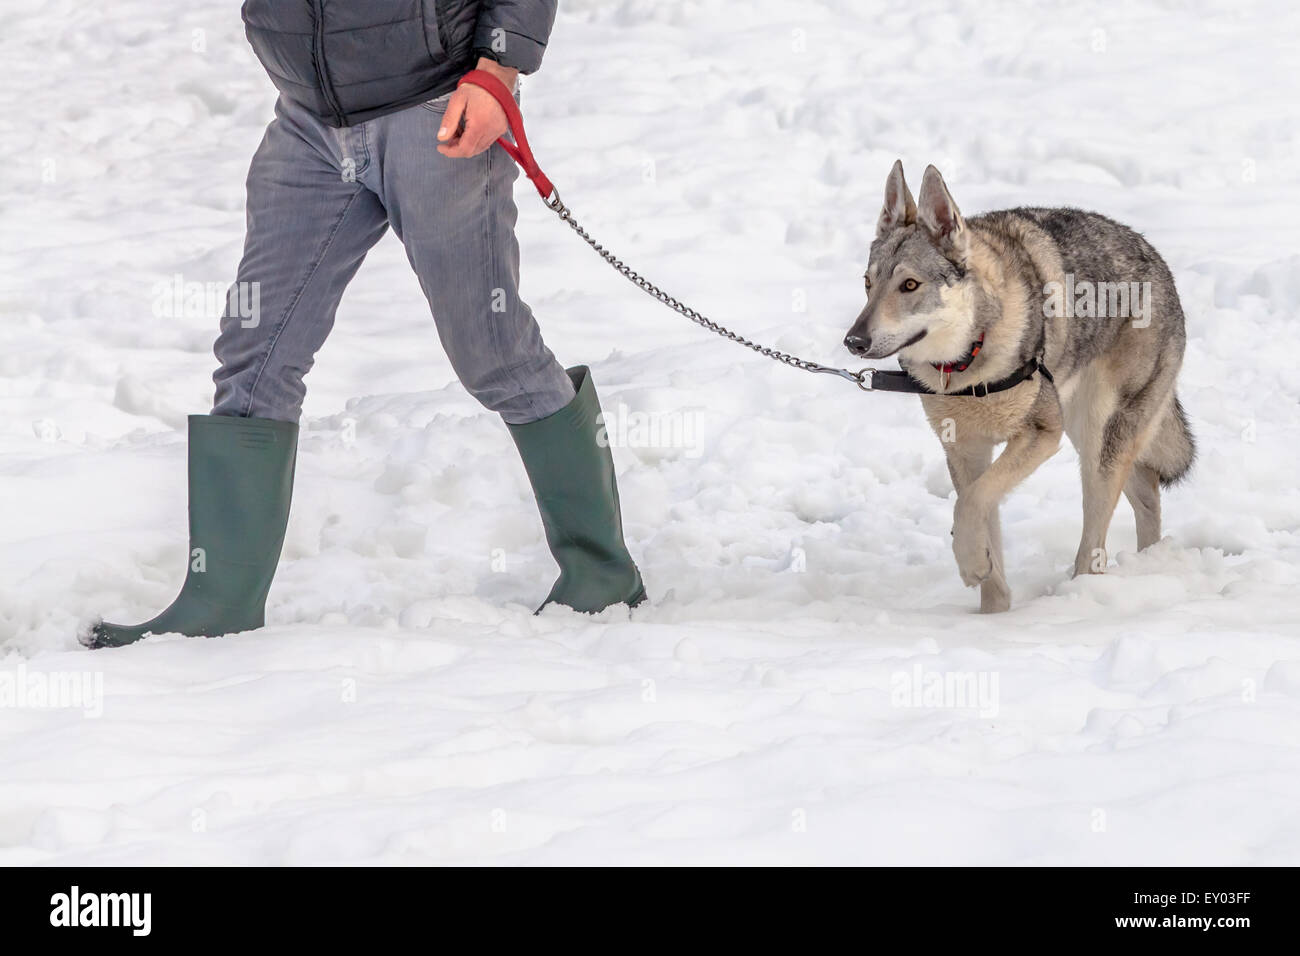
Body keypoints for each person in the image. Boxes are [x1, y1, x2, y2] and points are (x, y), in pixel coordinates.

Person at [86, 0, 645, 648]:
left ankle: (600, 572)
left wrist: (501, 67)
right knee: (255, 351)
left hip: (438, 107)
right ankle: (219, 602)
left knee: (492, 352)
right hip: (309, 117)